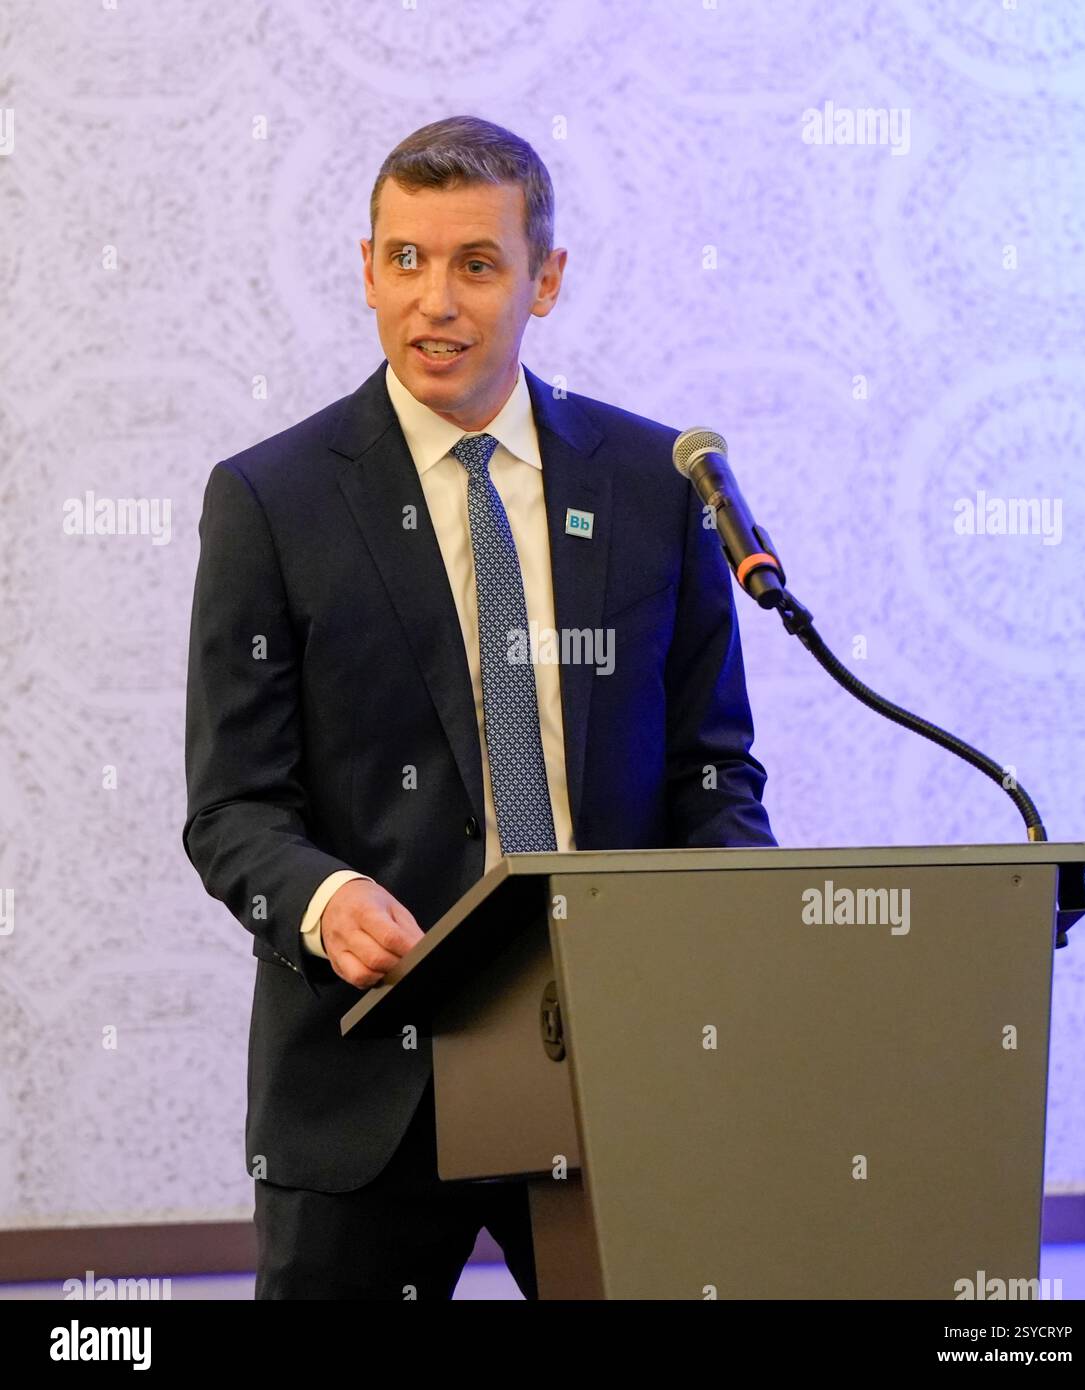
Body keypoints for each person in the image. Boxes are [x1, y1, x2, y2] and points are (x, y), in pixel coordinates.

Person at [182, 114, 776, 1301]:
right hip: (366, 1075)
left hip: (611, 1061)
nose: (435, 300)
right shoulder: (270, 501)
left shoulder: (655, 488)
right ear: (366, 270)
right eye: (405, 260)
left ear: (544, 279)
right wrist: (323, 894)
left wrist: (728, 950)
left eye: (476, 263)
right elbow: (233, 809)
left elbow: (715, 776)